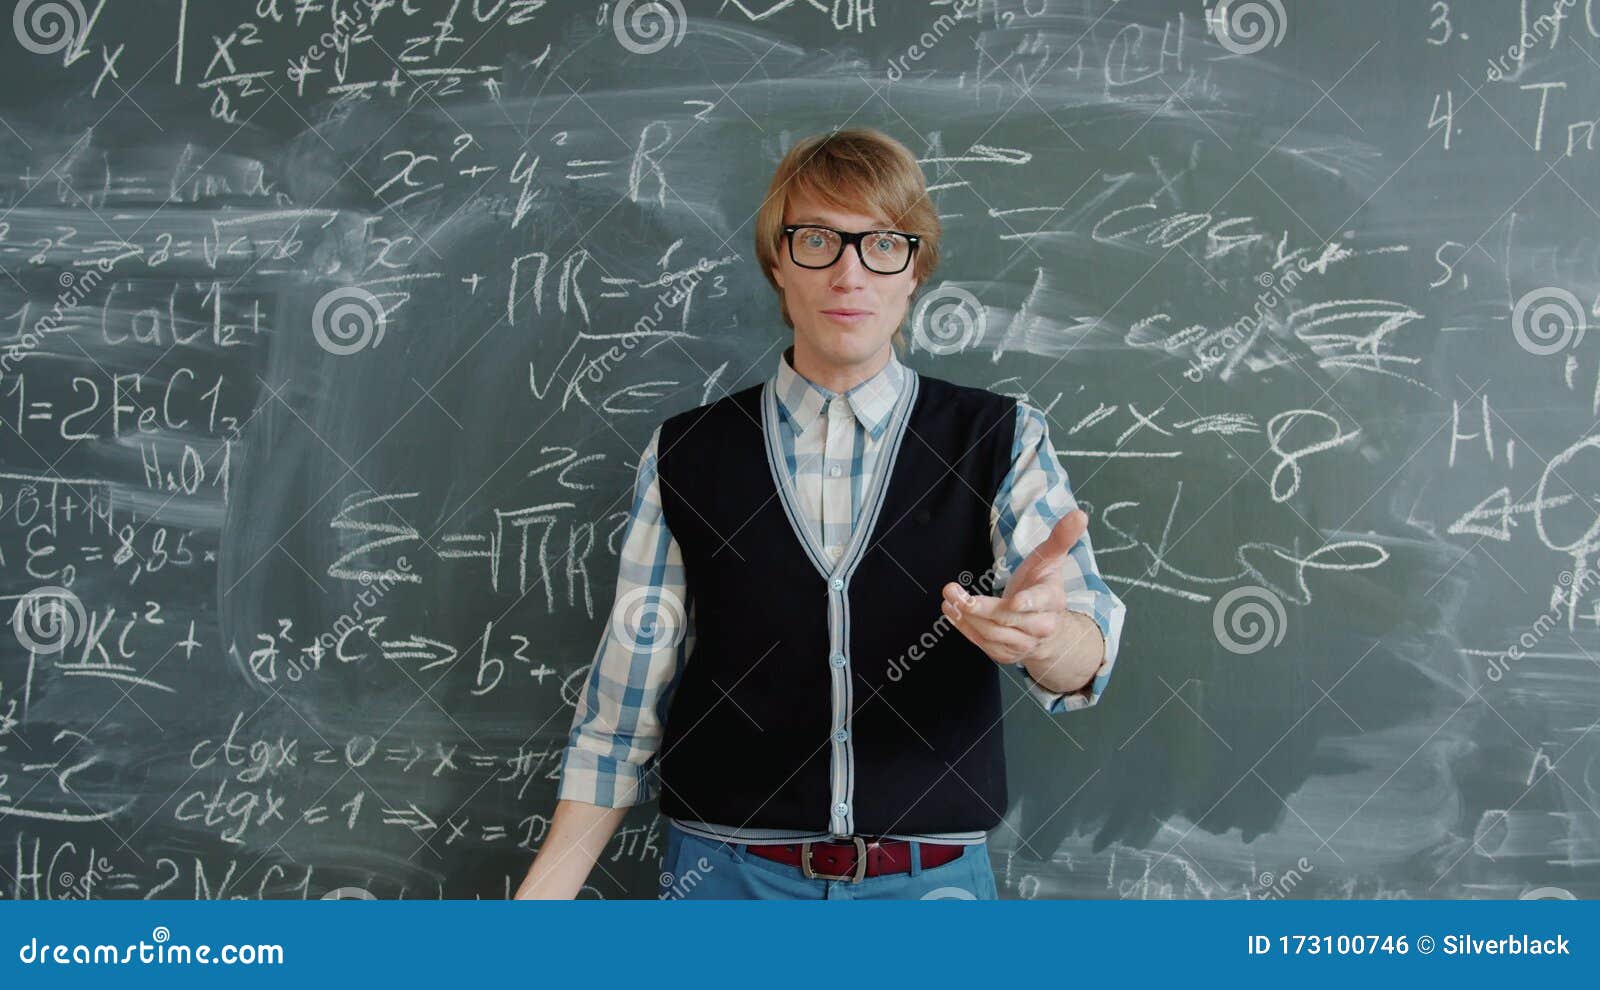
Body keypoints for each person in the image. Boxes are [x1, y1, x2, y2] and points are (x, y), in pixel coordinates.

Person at [515, 128, 1126, 900]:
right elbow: (619, 717)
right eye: (817, 241)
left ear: (916, 270)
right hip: (726, 887)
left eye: (882, 245)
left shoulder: (1000, 441)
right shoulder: (685, 454)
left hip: (931, 894)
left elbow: (1083, 653)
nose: (849, 272)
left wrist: (1047, 633)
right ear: (777, 261)